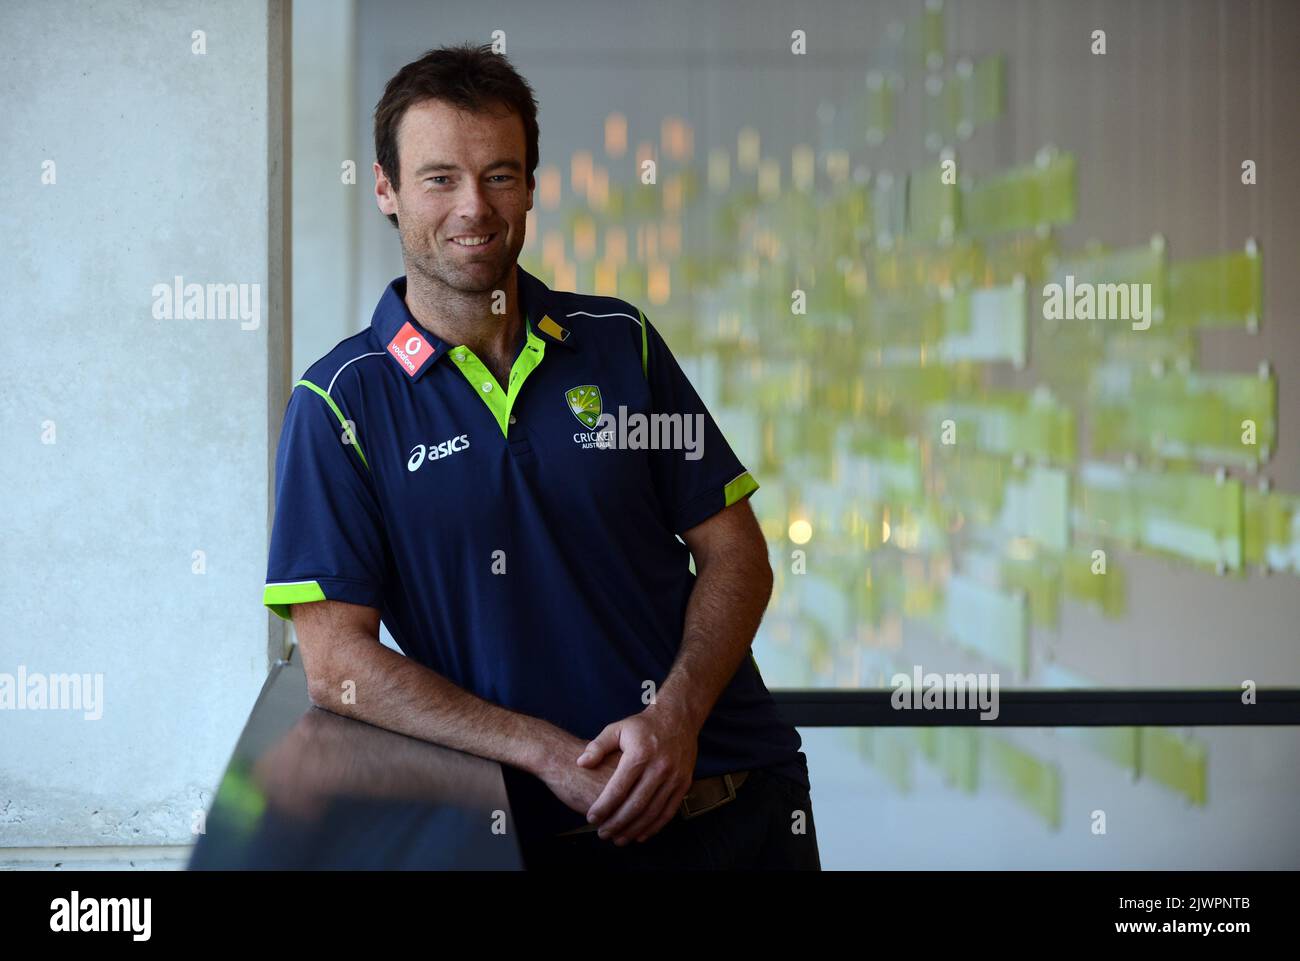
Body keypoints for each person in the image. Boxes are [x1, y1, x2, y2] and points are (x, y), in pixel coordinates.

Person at [263, 42, 819, 870]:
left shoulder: (618, 344)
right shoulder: (342, 403)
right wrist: (546, 752)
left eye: (499, 174)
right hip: (538, 837)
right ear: (385, 189)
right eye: (439, 177)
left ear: (530, 186)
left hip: (739, 804)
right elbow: (336, 663)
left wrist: (674, 717)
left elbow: (737, 549)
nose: (473, 207)